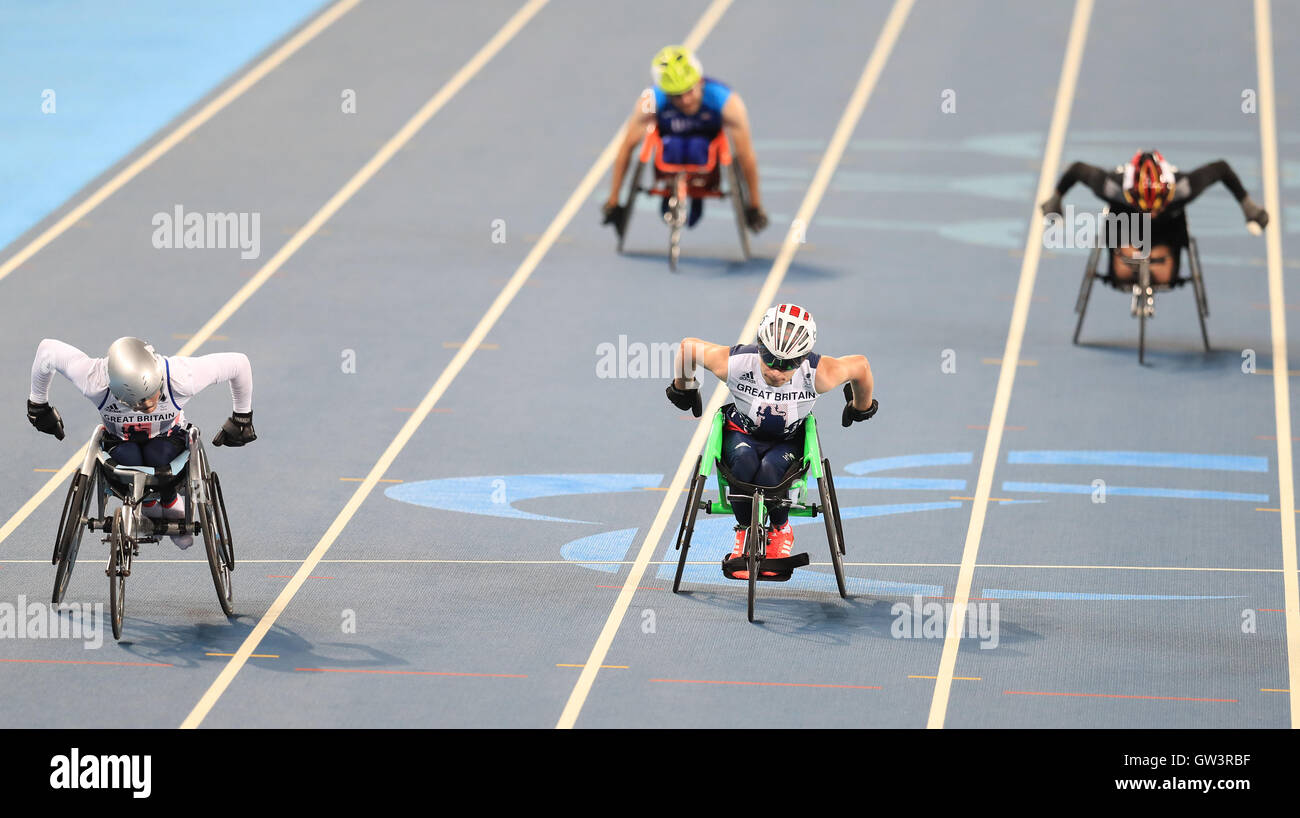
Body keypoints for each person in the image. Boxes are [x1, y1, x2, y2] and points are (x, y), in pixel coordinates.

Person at [665, 304, 876, 579]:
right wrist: (684, 388)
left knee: (769, 475)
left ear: (802, 358)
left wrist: (861, 405)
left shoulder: (819, 373)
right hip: (740, 433)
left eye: (787, 365)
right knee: (743, 463)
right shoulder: (735, 363)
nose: (776, 372)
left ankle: (780, 528)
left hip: (787, 442)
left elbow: (860, 366)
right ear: (760, 346)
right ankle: (744, 530)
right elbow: (688, 348)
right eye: (769, 360)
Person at [26, 337, 256, 548]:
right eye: (136, 402)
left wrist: (242, 418)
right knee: (130, 461)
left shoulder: (181, 376)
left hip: (168, 440)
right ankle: (148, 507)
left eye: (153, 393)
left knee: (158, 456)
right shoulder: (94, 379)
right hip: (120, 442)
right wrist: (38, 405)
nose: (147, 405)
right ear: (115, 392)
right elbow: (47, 350)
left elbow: (239, 364)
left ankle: (170, 504)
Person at [602, 45, 767, 233]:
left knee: (698, 147)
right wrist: (613, 201)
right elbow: (627, 147)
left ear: (699, 81)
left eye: (690, 91)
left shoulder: (726, 101)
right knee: (673, 147)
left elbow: (745, 155)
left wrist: (754, 205)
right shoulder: (650, 100)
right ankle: (670, 191)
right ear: (665, 91)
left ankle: (697, 196)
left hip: (706, 158)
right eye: (677, 96)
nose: (686, 100)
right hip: (669, 153)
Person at [1041, 150, 1268, 285]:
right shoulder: (1111, 187)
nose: (1150, 214)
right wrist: (1055, 200)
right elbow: (1077, 169)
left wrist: (1249, 208)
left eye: (1155, 208)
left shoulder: (1184, 187)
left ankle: (1156, 258)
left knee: (1162, 276)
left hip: (1167, 232)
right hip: (1126, 224)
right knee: (1123, 272)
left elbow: (1222, 169)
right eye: (1145, 208)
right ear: (1130, 194)